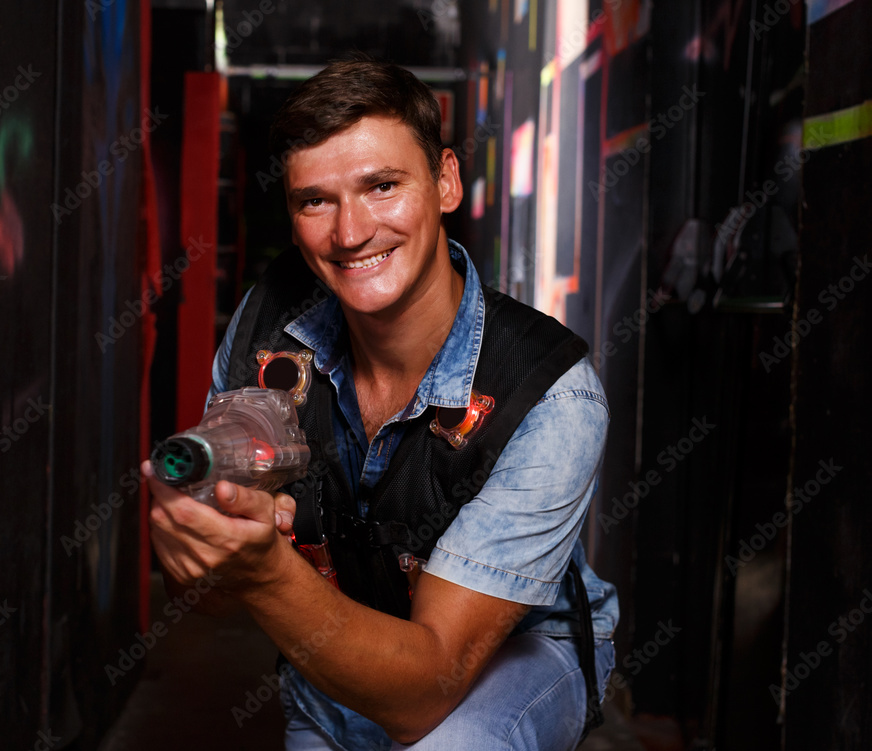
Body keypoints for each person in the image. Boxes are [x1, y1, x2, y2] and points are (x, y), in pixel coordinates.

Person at [145, 58, 618, 751]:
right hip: (332, 657)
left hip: (506, 655)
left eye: (382, 186)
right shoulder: (269, 332)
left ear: (446, 180)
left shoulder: (550, 392)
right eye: (316, 200)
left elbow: (426, 690)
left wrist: (266, 571)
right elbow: (220, 589)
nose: (350, 232)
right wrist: (201, 544)